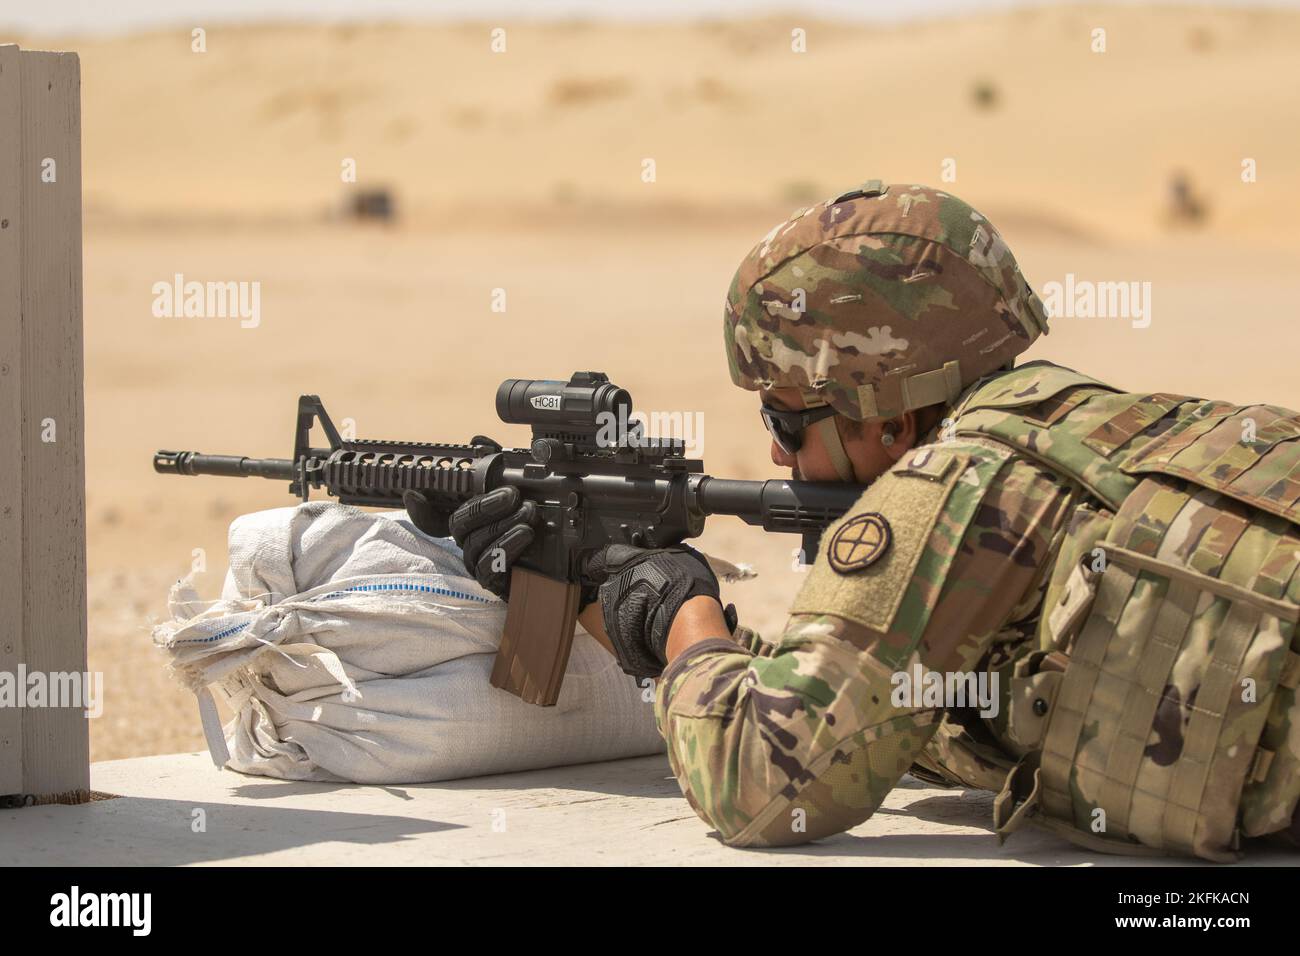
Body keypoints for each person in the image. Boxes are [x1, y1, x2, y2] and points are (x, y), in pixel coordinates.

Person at [408, 181, 1300, 862]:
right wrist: (611, 594)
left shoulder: (951, 488)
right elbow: (884, 701)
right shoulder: (1100, 424)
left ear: (891, 419)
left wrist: (680, 608)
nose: (778, 460)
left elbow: (761, 784)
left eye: (788, 421)